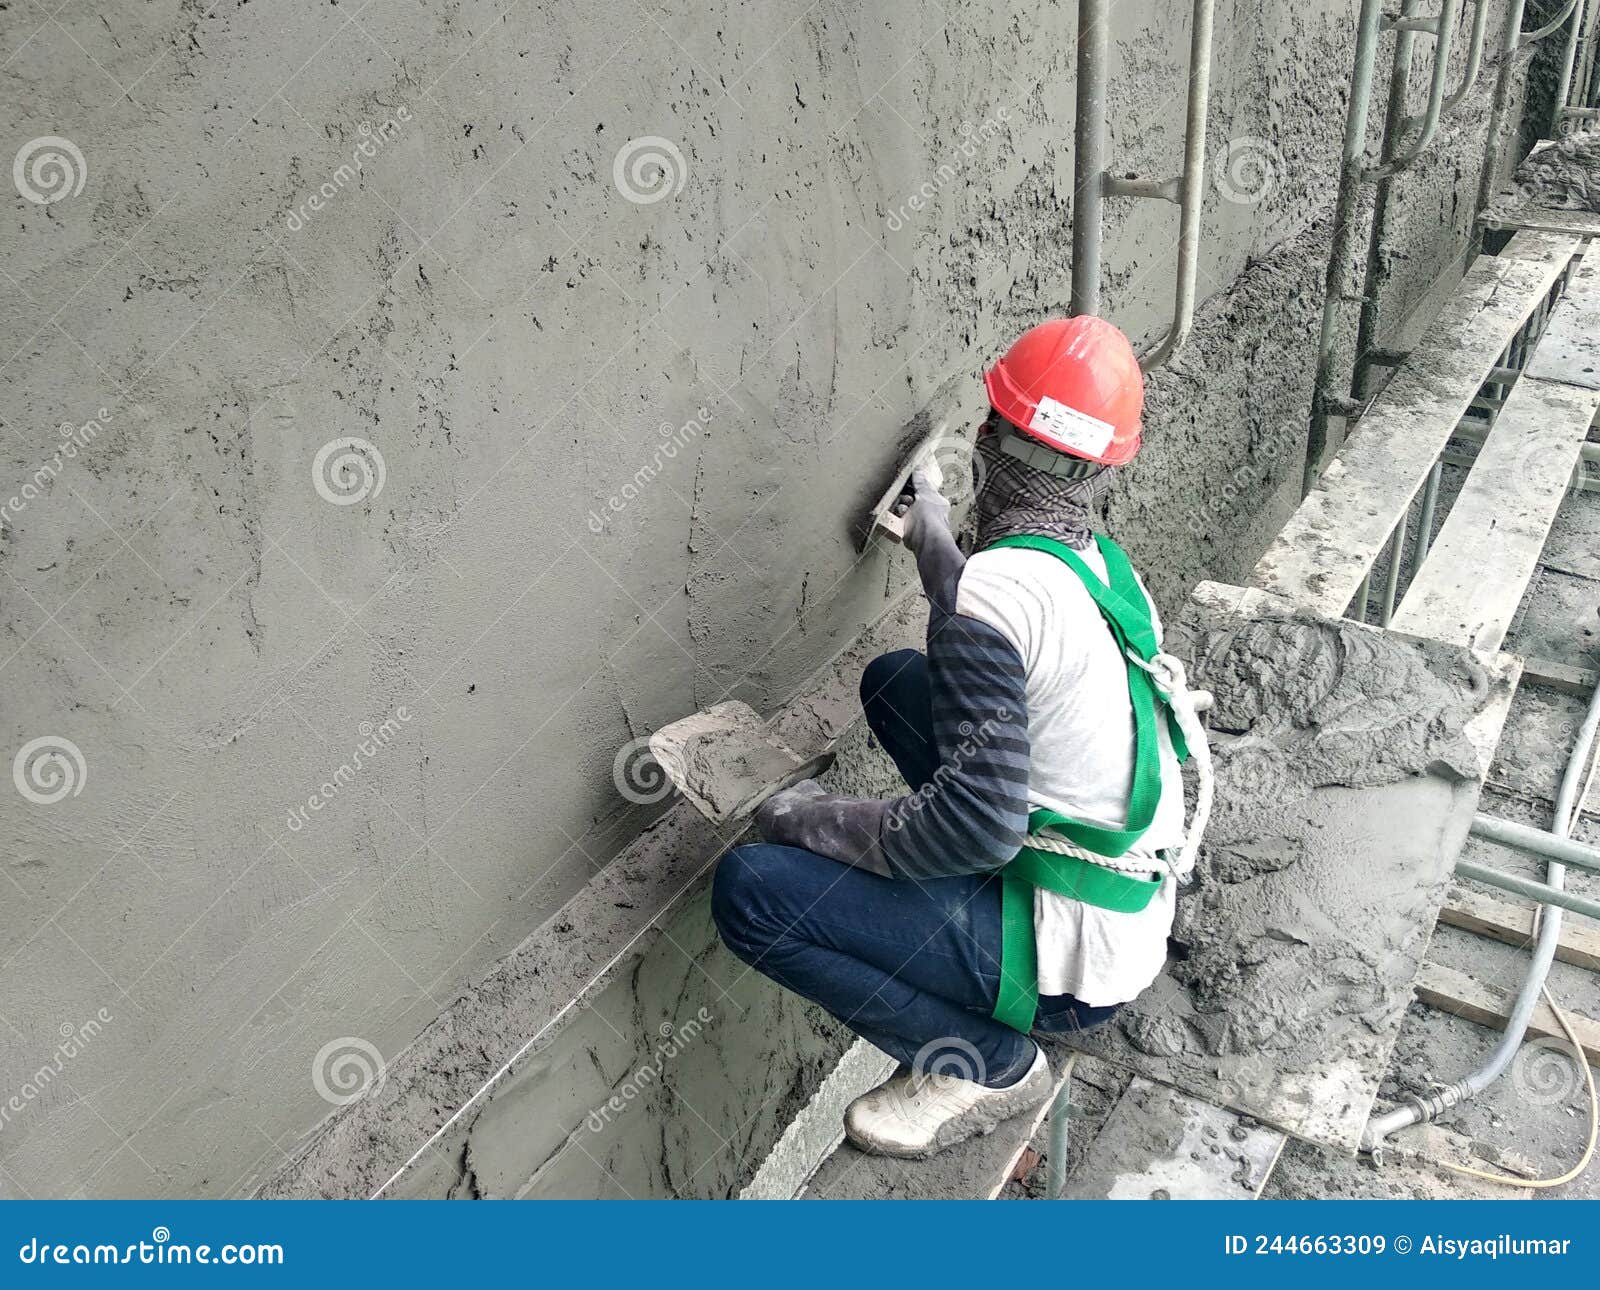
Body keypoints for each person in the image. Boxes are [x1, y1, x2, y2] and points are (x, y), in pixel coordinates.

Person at [712, 316, 1206, 1159]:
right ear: (1098, 467)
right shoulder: (1098, 566)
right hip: (1119, 907)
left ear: (992, 436)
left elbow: (973, 827)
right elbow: (993, 599)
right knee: (899, 683)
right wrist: (933, 530)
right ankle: (967, 941)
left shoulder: (999, 595)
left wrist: (805, 818)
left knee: (754, 888)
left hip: (1071, 972)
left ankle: (987, 1065)